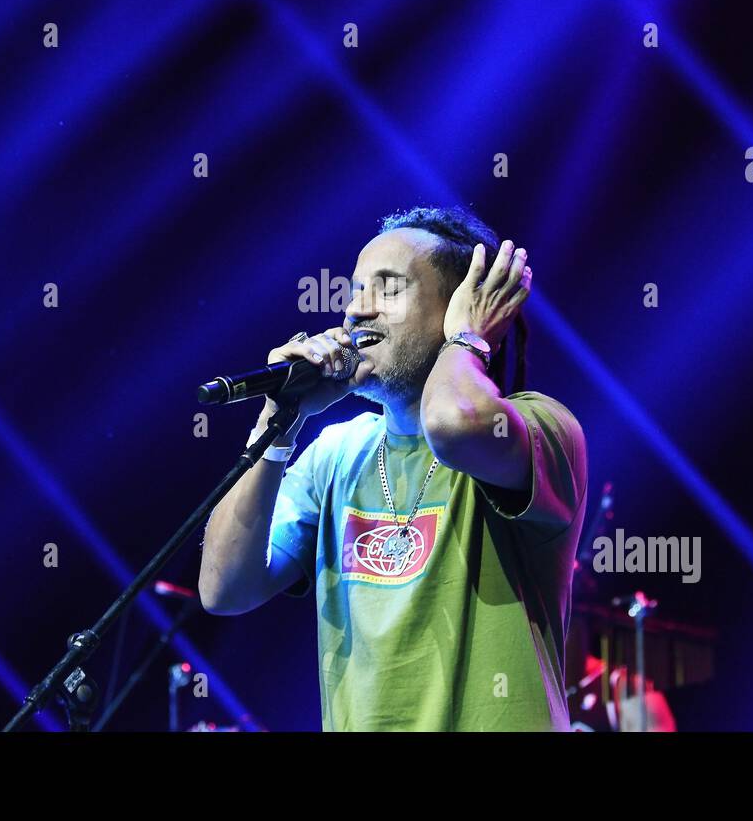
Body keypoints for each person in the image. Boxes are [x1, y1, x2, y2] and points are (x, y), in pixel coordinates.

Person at [198, 206, 588, 730]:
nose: (357, 310)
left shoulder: (534, 428)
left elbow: (453, 423)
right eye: (356, 289)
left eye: (388, 288)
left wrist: (468, 339)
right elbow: (224, 589)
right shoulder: (336, 453)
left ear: (460, 307)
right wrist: (279, 419)